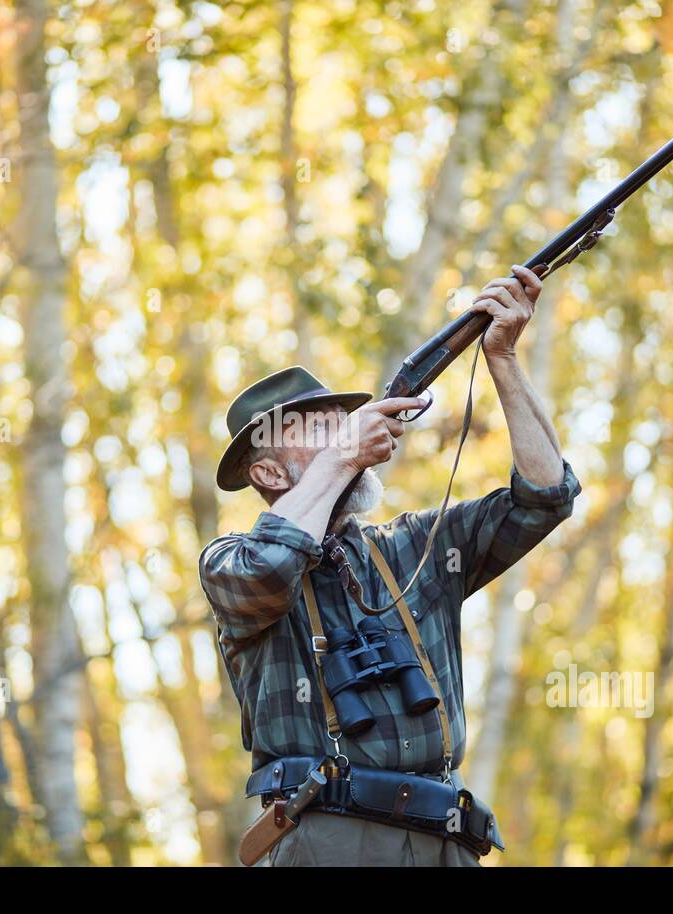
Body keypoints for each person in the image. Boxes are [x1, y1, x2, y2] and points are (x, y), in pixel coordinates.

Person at [200, 265, 581, 866]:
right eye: (318, 430)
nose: (344, 435)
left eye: (342, 423)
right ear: (268, 475)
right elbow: (270, 569)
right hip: (327, 840)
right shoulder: (230, 563)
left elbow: (544, 496)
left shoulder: (414, 544)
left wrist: (503, 358)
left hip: (446, 843)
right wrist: (343, 456)